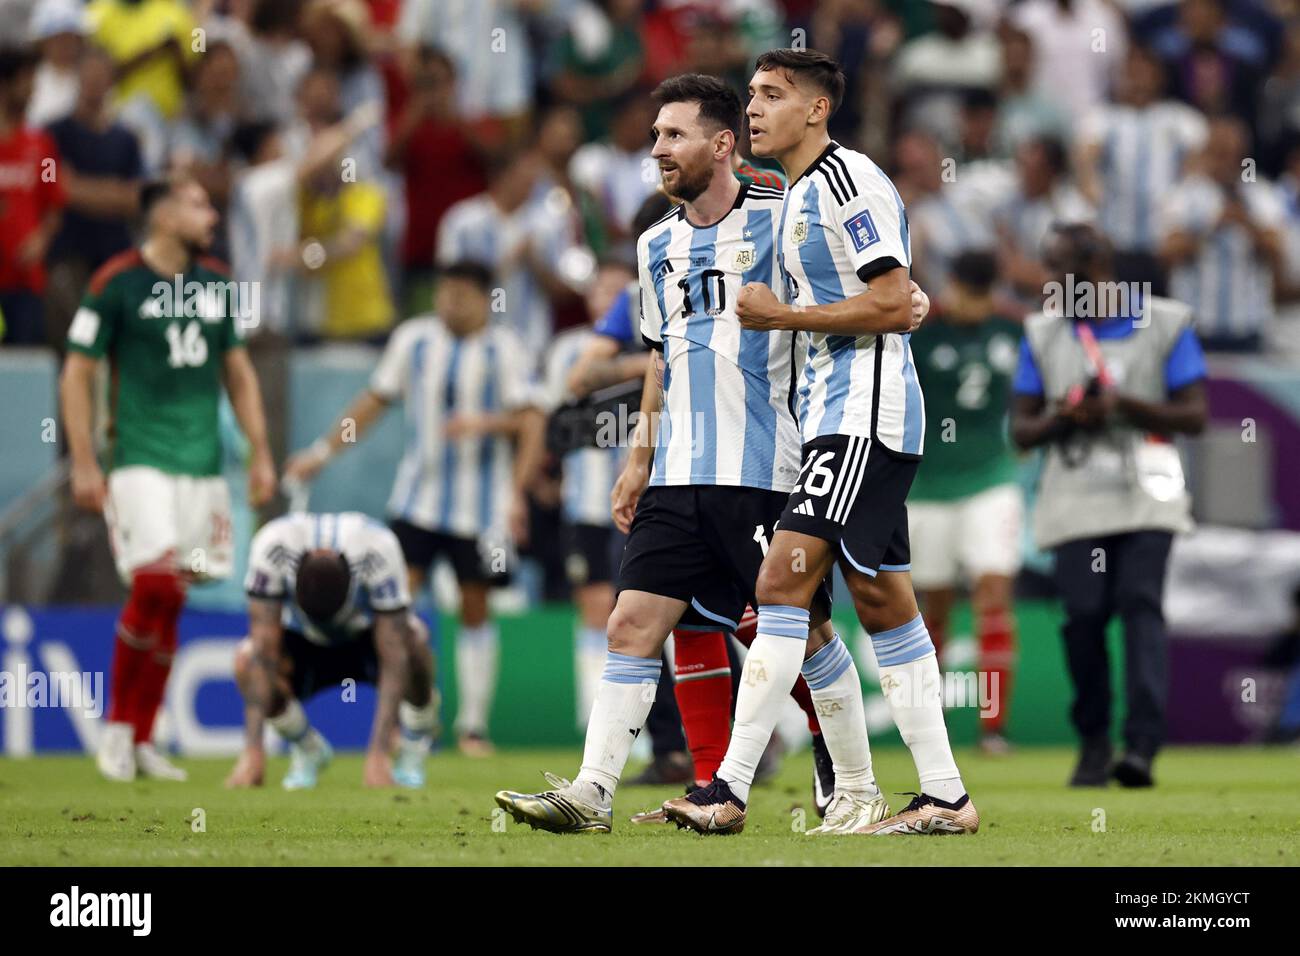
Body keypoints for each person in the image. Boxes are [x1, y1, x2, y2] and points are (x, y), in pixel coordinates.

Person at [494, 72, 928, 835]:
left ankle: (850, 778)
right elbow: (661, 358)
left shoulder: (783, 215)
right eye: (655, 136)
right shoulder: (653, 244)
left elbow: (868, 285)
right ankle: (593, 790)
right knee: (631, 624)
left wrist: (912, 300)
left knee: (804, 631)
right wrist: (639, 459)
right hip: (676, 472)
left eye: (674, 136)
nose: (658, 149)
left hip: (767, 466)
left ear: (722, 144)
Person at [663, 48, 976, 837]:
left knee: (778, 586)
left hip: (862, 418)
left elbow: (886, 297)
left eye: (772, 95)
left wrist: (785, 317)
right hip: (841, 419)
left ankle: (728, 789)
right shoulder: (801, 193)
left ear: (817, 108)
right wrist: (897, 302)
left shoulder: (847, 180)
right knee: (882, 600)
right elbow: (898, 298)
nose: (755, 109)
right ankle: (941, 795)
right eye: (753, 95)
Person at [61, 173, 276, 781]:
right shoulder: (116, 283)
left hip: (202, 468)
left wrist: (259, 453)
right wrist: (82, 459)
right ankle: (117, 730)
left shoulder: (217, 285)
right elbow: (78, 373)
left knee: (174, 597)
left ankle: (143, 737)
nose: (211, 213)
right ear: (161, 216)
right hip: (137, 460)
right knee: (154, 586)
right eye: (197, 203)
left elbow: (238, 372)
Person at [282, 261, 545, 757]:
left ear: (484, 299)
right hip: (416, 503)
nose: (450, 303)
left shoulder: (505, 349)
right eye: (444, 293)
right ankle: (407, 720)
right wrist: (320, 452)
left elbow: (532, 422)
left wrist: (511, 484)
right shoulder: (413, 340)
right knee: (394, 607)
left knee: (475, 607)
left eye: (462, 295)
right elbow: (373, 403)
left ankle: (472, 727)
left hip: (483, 508)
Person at [1010, 222, 1208, 788]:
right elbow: (1023, 431)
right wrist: (1065, 417)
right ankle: (1094, 740)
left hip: (1148, 489)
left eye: (1061, 269)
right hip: (1076, 494)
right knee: (1085, 615)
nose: (1051, 281)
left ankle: (1141, 745)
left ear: (1097, 268)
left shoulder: (1165, 322)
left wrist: (1123, 405)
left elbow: (1195, 414)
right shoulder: (1044, 332)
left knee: (1140, 603)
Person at [224, 512, 438, 790]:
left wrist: (378, 755)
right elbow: (263, 651)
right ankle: (308, 748)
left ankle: (413, 745)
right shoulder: (272, 546)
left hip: (364, 637)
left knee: (414, 642)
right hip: (303, 640)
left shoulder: (379, 547)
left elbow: (394, 655)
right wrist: (253, 751)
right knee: (246, 661)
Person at [907, 251, 1023, 753]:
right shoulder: (920, 333)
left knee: (993, 595)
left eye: (982, 296)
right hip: (927, 487)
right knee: (932, 609)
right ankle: (935, 730)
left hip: (991, 480)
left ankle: (992, 729)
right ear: (948, 285)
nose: (972, 307)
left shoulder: (1011, 332)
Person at [0, 48, 65, 345]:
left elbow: (54, 203)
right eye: (26, 82)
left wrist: (41, 239)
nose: (32, 91)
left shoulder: (43, 146)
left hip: (25, 284)